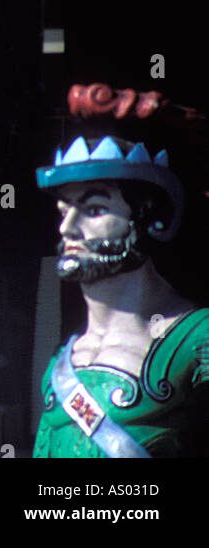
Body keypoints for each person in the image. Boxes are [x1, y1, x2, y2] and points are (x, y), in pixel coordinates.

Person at [32, 85, 208, 457]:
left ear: (149, 218)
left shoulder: (199, 341)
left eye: (94, 209)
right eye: (64, 211)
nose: (67, 228)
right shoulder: (62, 363)